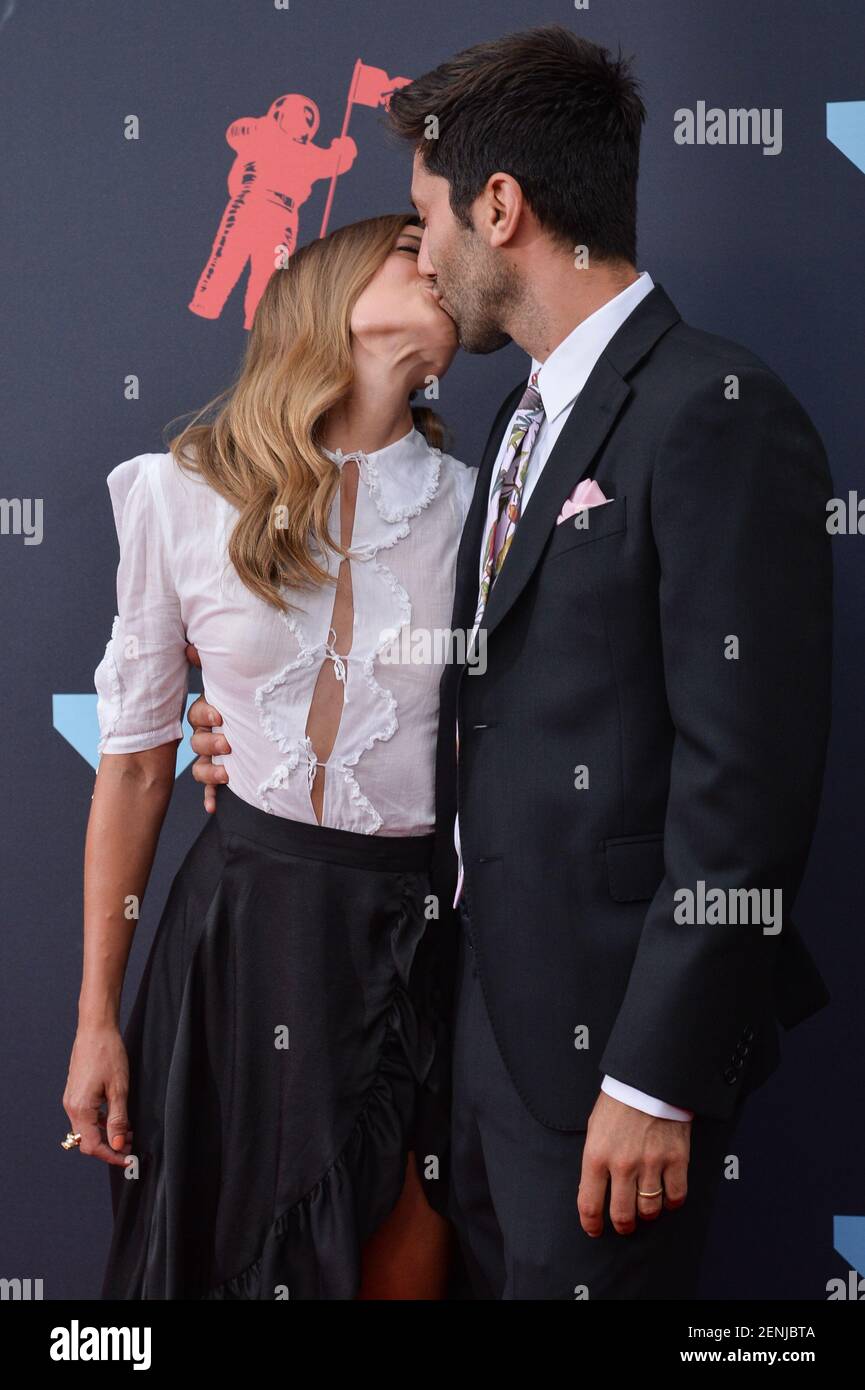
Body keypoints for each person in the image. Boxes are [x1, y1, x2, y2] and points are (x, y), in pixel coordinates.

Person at [189, 25, 834, 1300]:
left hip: (612, 1072)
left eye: (428, 217)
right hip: (467, 1041)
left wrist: (655, 1076)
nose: (420, 251)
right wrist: (250, 735)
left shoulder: (713, 410)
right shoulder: (520, 425)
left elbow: (745, 790)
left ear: (503, 205)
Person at [62, 212, 476, 1299]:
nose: (439, 263)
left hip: (408, 941)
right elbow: (141, 763)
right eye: (410, 249)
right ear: (329, 286)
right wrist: (97, 1020)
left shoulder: (483, 515)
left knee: (393, 1256)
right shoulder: (178, 491)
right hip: (233, 943)